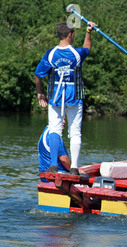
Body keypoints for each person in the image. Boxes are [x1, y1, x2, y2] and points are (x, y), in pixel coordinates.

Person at [35, 21, 97, 176]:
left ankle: (53, 165)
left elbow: (38, 74)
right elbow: (87, 48)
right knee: (75, 132)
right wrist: (89, 31)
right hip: (74, 97)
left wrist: (39, 93)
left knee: (55, 129)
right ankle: (74, 167)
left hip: (55, 97)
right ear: (70, 35)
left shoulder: (50, 54)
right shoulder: (76, 54)